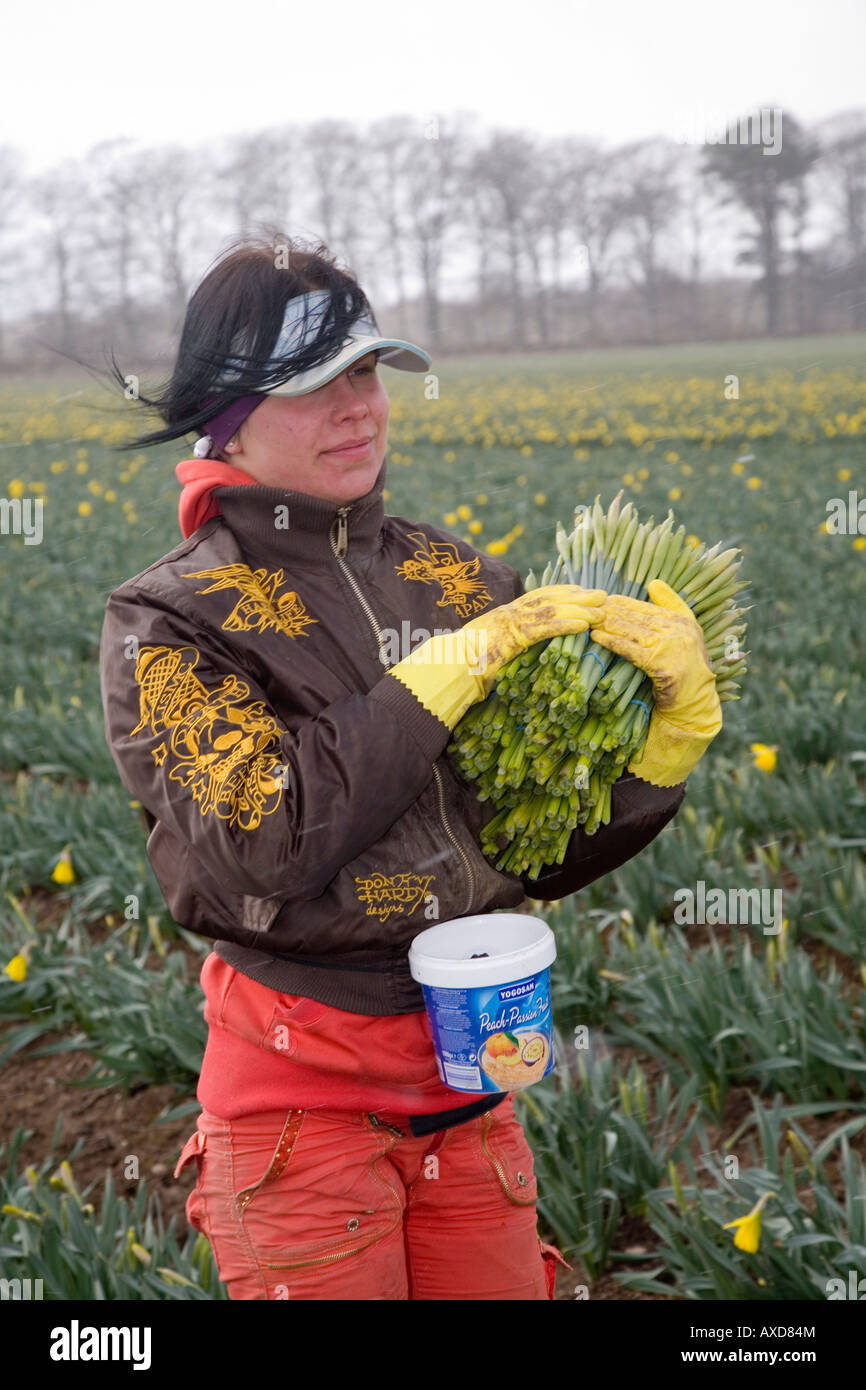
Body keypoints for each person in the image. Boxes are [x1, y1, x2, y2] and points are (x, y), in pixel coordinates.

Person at [98, 233, 722, 1301]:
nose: (359, 406)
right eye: (315, 384)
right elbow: (269, 837)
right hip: (297, 1111)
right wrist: (437, 681)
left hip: (473, 1074)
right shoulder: (168, 620)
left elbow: (535, 850)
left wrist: (656, 759)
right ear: (230, 420)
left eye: (368, 371)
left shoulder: (455, 574)